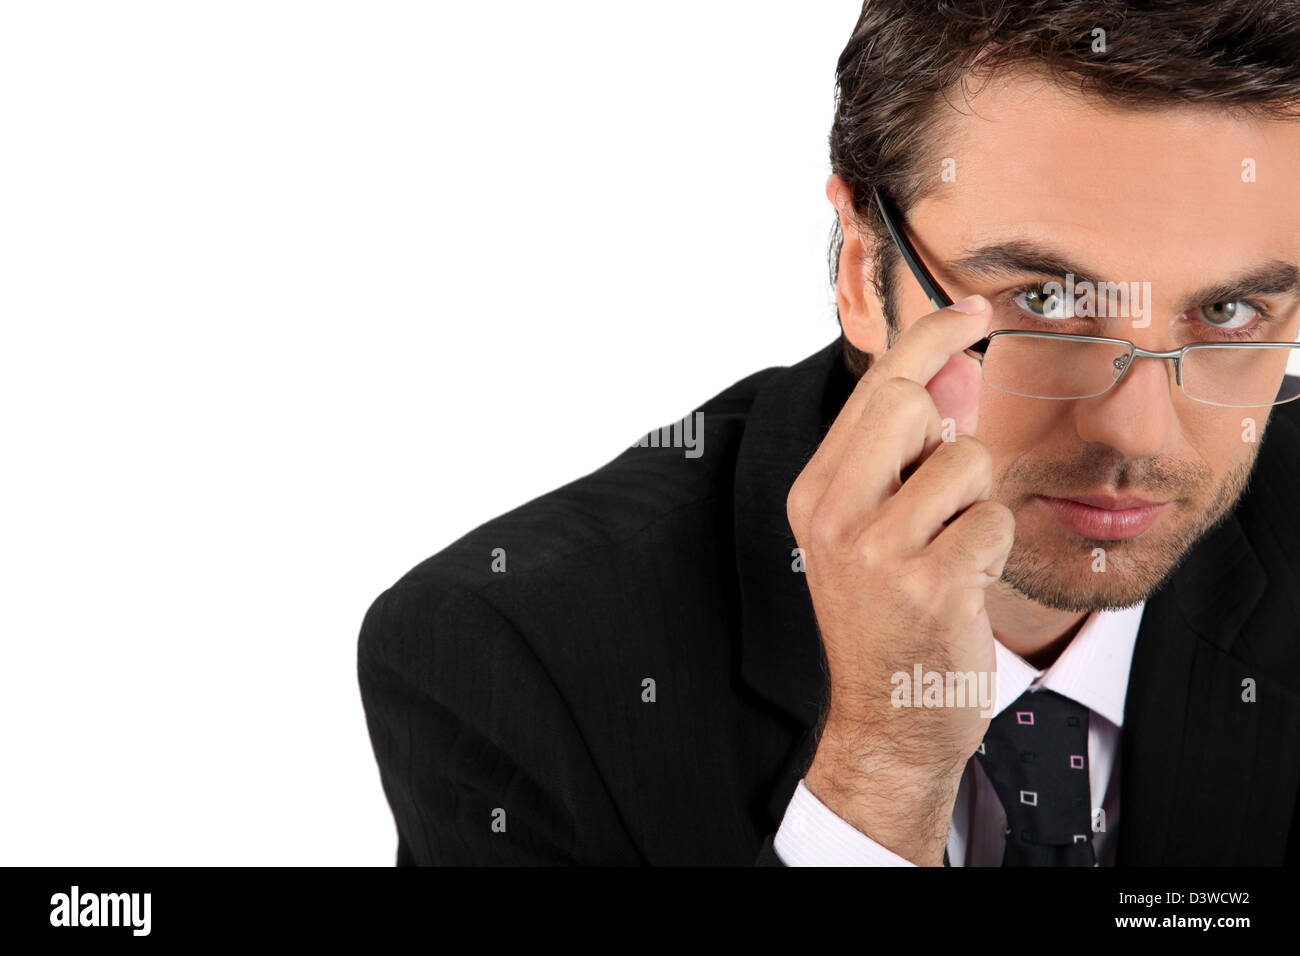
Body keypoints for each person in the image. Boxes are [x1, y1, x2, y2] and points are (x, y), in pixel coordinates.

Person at [357, 0, 1300, 865]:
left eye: (1230, 308)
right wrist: (884, 778)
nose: (1136, 435)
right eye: (1043, 302)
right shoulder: (513, 655)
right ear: (860, 271)